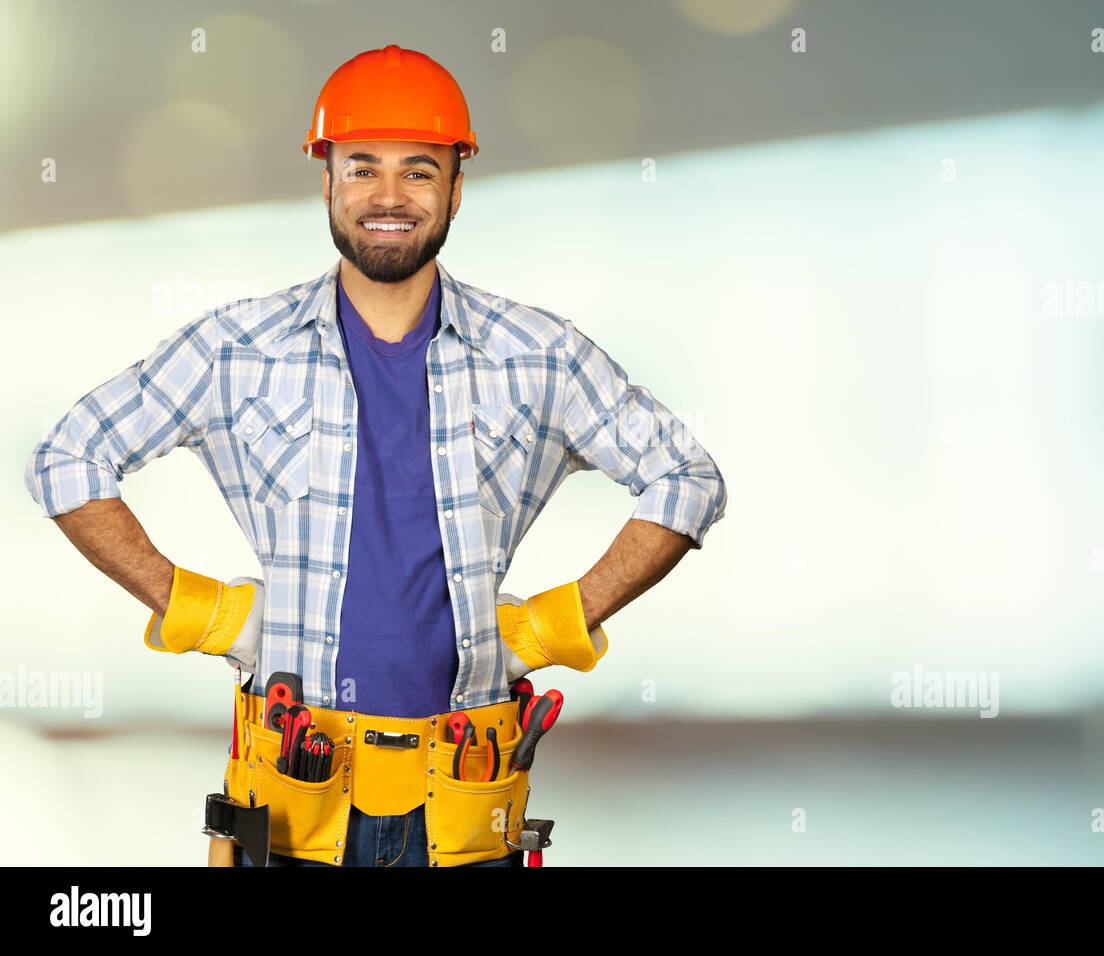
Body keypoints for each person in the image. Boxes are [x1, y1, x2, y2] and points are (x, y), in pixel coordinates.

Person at [24, 45, 726, 867]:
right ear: (326, 179)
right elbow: (67, 458)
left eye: (419, 172)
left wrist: (554, 624)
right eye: (362, 168)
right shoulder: (235, 349)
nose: (388, 197)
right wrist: (202, 611)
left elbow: (687, 479)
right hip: (293, 802)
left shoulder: (539, 355)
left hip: (463, 804)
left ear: (458, 184)